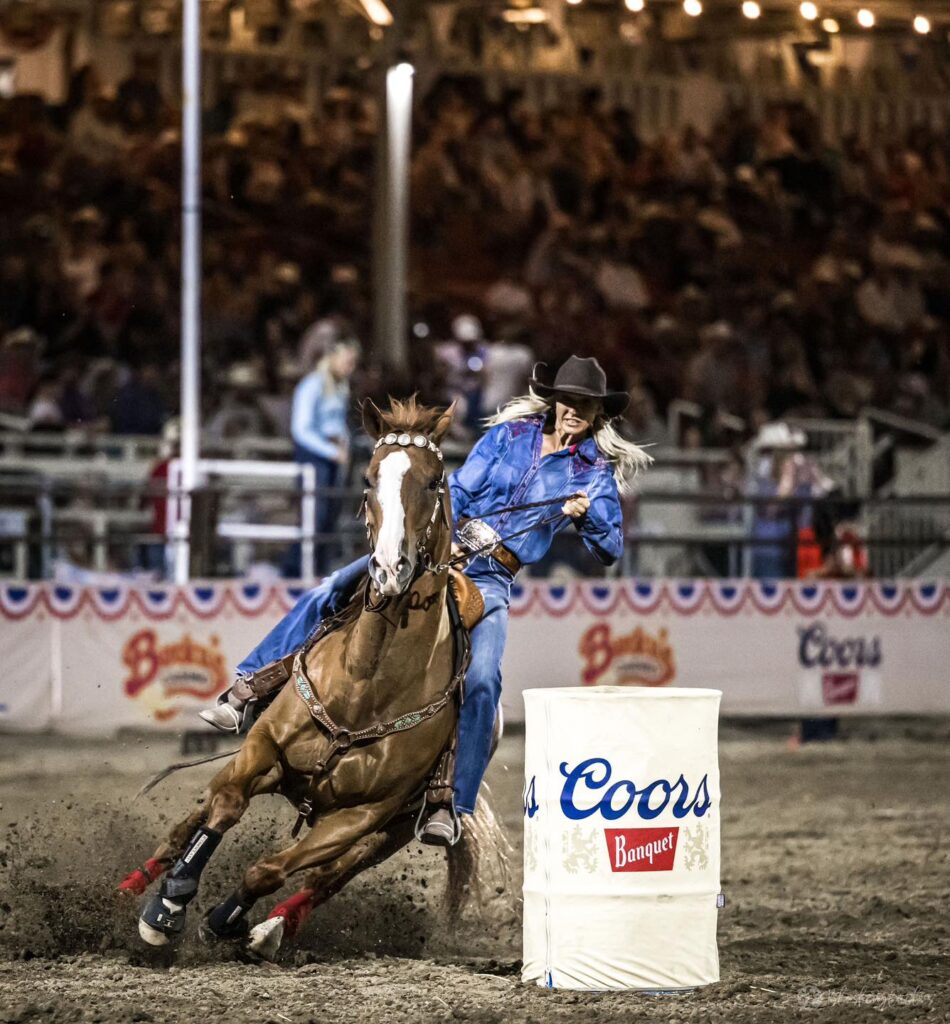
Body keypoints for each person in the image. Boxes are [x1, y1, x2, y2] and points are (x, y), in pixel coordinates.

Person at [201, 356, 650, 845]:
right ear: (554, 400)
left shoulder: (594, 473)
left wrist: (586, 517)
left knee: (482, 680)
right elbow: (459, 485)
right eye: (568, 400)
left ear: (598, 413)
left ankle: (451, 804)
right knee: (329, 589)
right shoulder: (510, 436)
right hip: (439, 550)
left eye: (585, 405)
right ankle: (247, 687)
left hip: (493, 576)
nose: (574, 411)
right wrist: (451, 535)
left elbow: (610, 549)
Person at [289, 338, 360, 573]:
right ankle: (298, 569)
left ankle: (319, 569)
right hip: (314, 457)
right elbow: (301, 428)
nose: (350, 367)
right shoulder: (312, 385)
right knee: (314, 519)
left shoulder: (340, 387)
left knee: (329, 519)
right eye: (347, 361)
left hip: (333, 457)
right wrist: (330, 451)